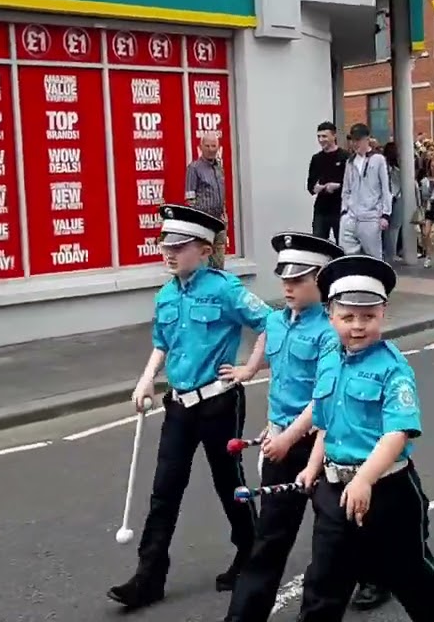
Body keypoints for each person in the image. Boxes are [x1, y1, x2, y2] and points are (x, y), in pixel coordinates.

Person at [108, 204, 270, 610]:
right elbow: (163, 342)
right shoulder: (166, 295)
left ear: (203, 248)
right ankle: (149, 576)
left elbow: (271, 322)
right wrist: (146, 379)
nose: (169, 252)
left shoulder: (225, 288)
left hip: (218, 401)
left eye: (179, 246)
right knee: (164, 489)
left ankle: (249, 551)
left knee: (227, 482)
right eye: (166, 244)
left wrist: (250, 366)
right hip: (179, 405)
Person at [223, 232, 391, 619]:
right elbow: (276, 365)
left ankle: (376, 575)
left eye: (298, 278)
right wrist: (266, 407)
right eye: (284, 276)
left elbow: (325, 398)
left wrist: (288, 436)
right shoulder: (278, 321)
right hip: (283, 439)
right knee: (270, 538)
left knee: (336, 531)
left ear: (320, 281)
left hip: (325, 440)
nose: (287, 285)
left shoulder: (332, 332)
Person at [294, 254, 434, 622]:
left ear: (383, 314)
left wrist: (365, 479)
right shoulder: (329, 362)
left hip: (387, 493)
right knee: (322, 586)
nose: (358, 326)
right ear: (330, 316)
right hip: (334, 489)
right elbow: (327, 424)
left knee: (413, 580)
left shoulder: (393, 368)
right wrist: (312, 467)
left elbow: (397, 433)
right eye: (348, 317)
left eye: (368, 316)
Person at [339, 124, 391, 259]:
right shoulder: (350, 162)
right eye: (353, 140)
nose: (355, 143)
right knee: (348, 258)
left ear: (367, 139)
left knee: (373, 258)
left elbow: (386, 188)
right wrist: (344, 211)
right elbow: (346, 189)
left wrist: (385, 214)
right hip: (350, 217)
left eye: (358, 140)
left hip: (370, 217)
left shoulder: (378, 159)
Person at [186, 130, 229, 269]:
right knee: (203, 261)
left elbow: (220, 193)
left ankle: (216, 288)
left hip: (219, 222)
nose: (211, 150)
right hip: (203, 223)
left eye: (214, 146)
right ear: (201, 147)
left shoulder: (219, 168)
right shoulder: (194, 168)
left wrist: (224, 213)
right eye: (208, 146)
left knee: (218, 261)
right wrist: (197, 221)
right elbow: (190, 198)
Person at [309, 122, 350, 243]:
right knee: (319, 243)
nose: (321, 140)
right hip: (321, 209)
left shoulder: (345, 157)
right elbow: (310, 185)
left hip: (340, 208)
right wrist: (318, 188)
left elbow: (352, 184)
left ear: (334, 136)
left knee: (342, 243)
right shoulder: (316, 159)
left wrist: (337, 186)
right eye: (319, 137)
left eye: (324, 136)